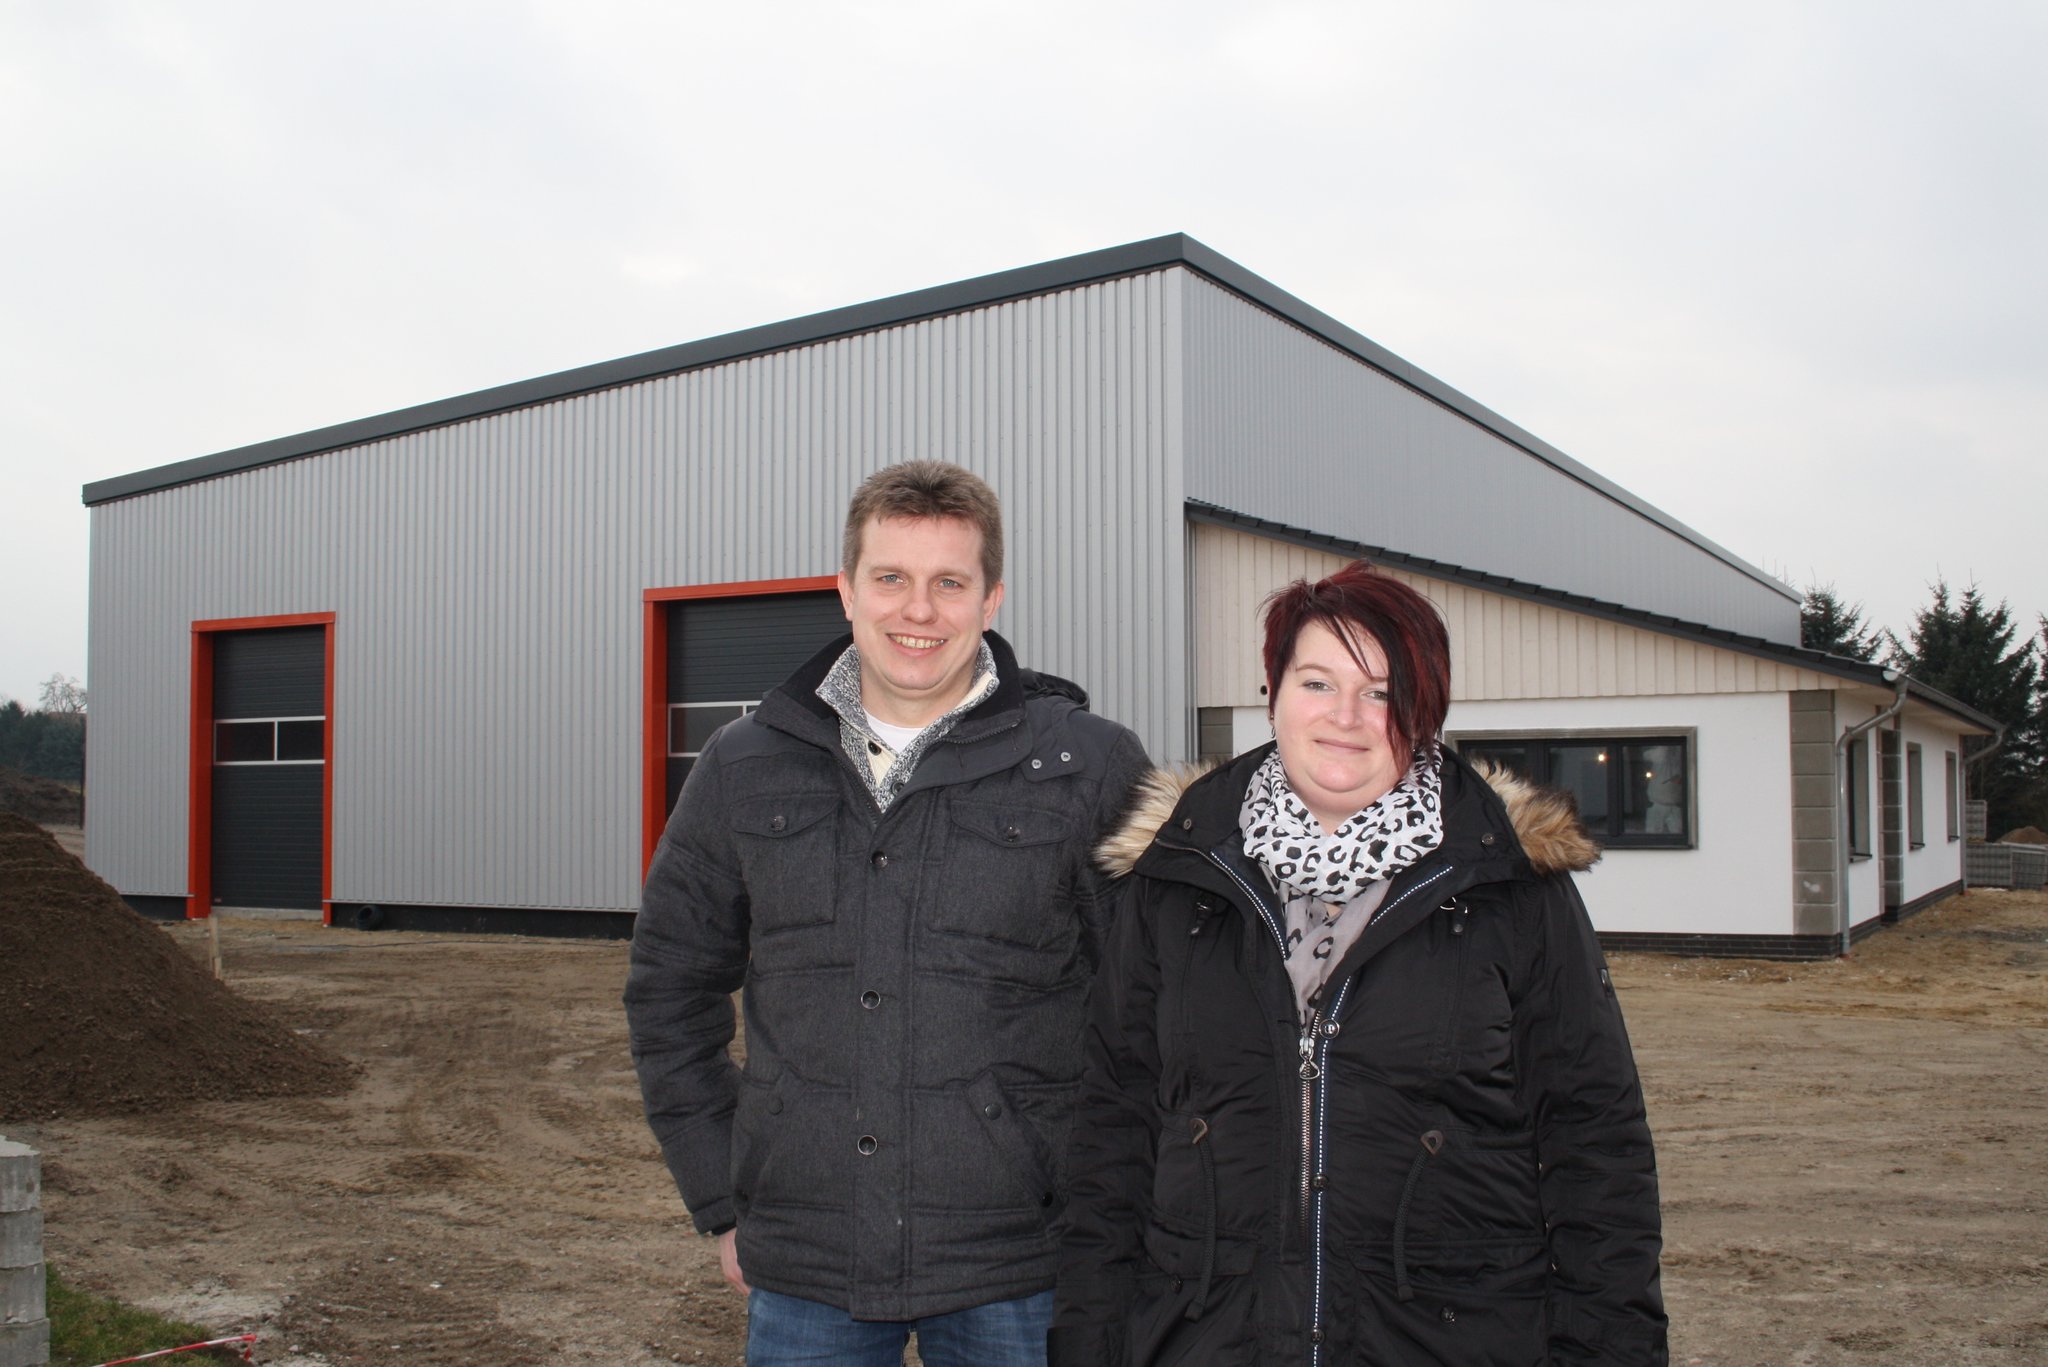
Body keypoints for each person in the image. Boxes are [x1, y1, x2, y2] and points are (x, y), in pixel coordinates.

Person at [1050, 561, 1666, 1366]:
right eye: (1317, 682)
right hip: (1206, 1337)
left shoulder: (1509, 886)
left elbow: (1597, 1144)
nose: (1346, 716)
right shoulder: (1176, 878)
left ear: (1423, 713)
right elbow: (1112, 1134)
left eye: (1381, 692)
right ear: (1271, 691)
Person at [626, 460, 1151, 1366]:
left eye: (949, 582)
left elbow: (1151, 1011)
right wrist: (721, 1196)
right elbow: (669, 990)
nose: (919, 610)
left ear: (992, 598)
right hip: (805, 1260)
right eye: (892, 579)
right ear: (845, 590)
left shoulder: (1089, 765)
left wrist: (1116, 1213)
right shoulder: (744, 764)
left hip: (1022, 1260)